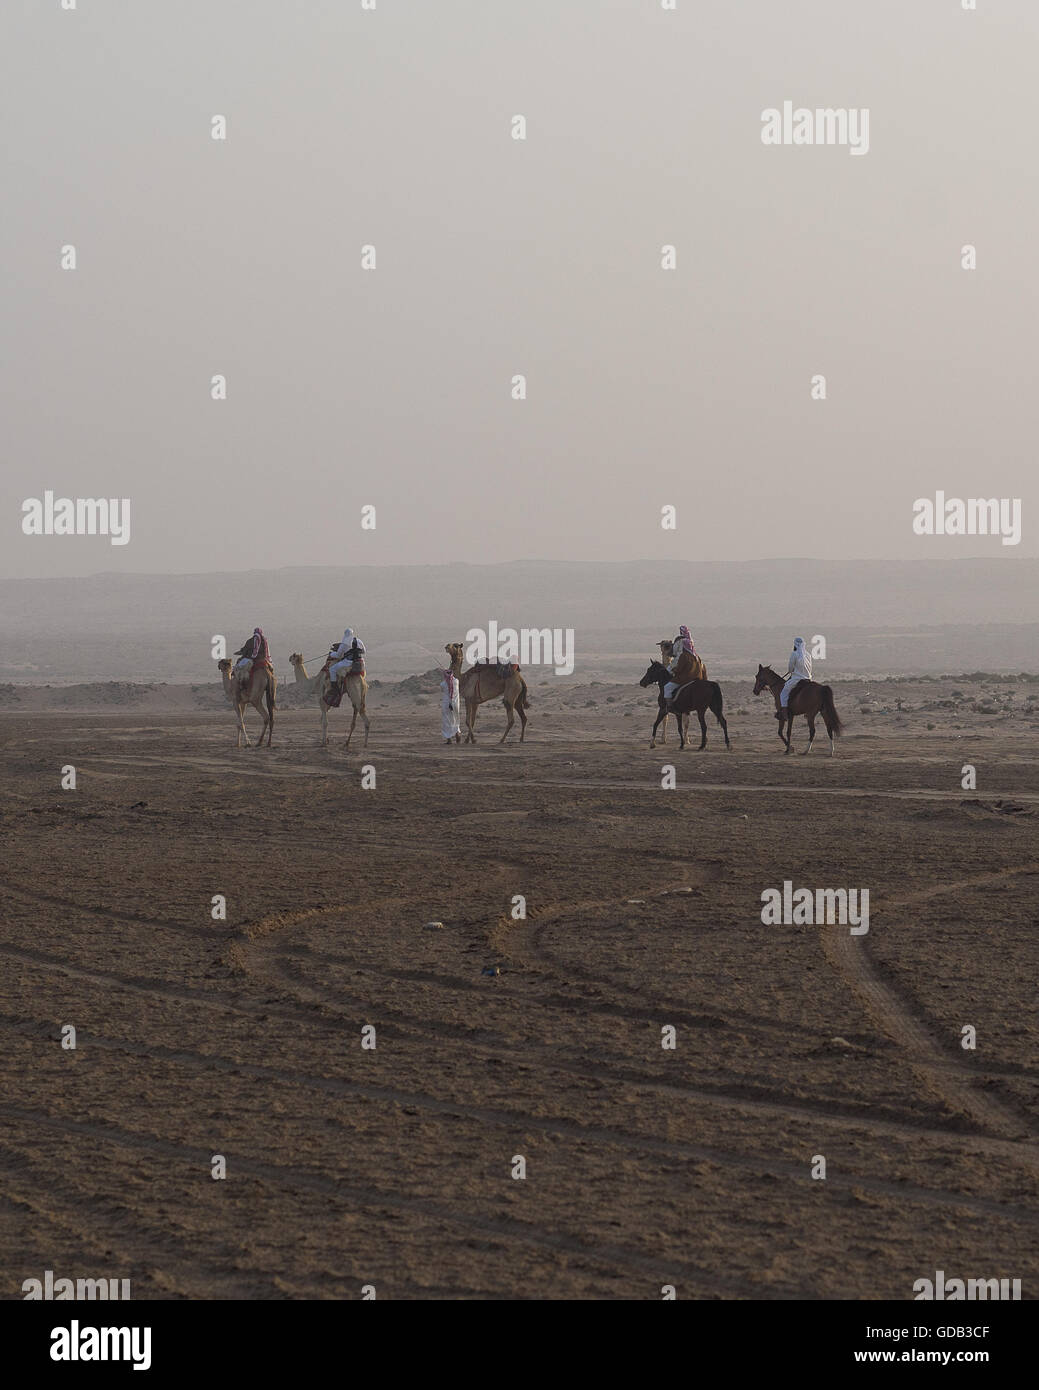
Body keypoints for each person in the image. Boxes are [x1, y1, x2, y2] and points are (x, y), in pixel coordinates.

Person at [780, 637, 813, 711]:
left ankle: (784, 711)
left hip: (797, 679)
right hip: (808, 679)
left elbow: (790, 668)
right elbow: (810, 668)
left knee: (784, 692)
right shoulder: (808, 655)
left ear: (795, 645)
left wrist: (791, 671)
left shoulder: (794, 654)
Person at [440, 665, 461, 744]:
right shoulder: (456, 681)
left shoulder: (443, 684)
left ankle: (449, 739)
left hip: (446, 705)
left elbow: (443, 689)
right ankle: (457, 734)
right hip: (455, 705)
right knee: (455, 719)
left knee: (447, 721)